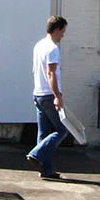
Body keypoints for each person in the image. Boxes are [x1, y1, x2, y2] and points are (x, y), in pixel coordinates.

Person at [27, 16, 68, 180]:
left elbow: (34, 70)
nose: (63, 35)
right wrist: (57, 96)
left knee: (43, 133)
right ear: (57, 29)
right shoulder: (52, 49)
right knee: (62, 130)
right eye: (63, 31)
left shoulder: (39, 46)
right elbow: (51, 73)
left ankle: (47, 170)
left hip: (37, 93)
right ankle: (35, 154)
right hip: (48, 95)